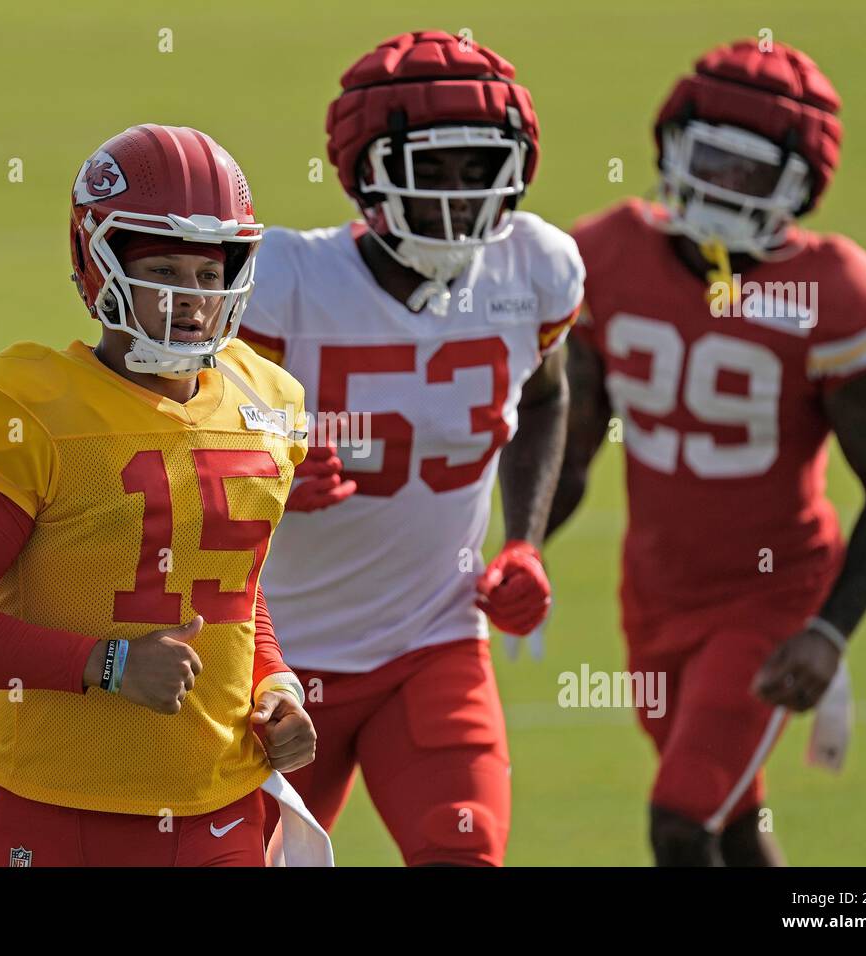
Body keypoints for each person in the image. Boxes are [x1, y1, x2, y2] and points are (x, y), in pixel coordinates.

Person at [0, 124, 325, 867]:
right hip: (56, 814)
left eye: (206, 274)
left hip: (220, 812)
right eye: (161, 269)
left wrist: (274, 683)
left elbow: (226, 582)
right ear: (98, 267)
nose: (189, 300)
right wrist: (107, 664)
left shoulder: (266, 399)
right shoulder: (35, 410)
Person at [548, 40, 866, 865]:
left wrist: (829, 629)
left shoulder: (832, 292)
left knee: (681, 823)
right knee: (734, 826)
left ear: (798, 186)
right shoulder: (607, 255)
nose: (724, 186)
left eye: (752, 172)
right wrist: (516, 549)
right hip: (652, 598)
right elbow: (571, 447)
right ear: (671, 147)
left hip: (772, 598)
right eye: (711, 159)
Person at [239, 31, 585, 866]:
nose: (462, 196)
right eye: (432, 170)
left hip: (431, 639)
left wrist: (526, 541)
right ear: (366, 170)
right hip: (268, 658)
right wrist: (270, 470)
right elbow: (180, 437)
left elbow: (544, 394)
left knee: (462, 850)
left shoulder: (535, 269)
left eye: (479, 168)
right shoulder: (286, 280)